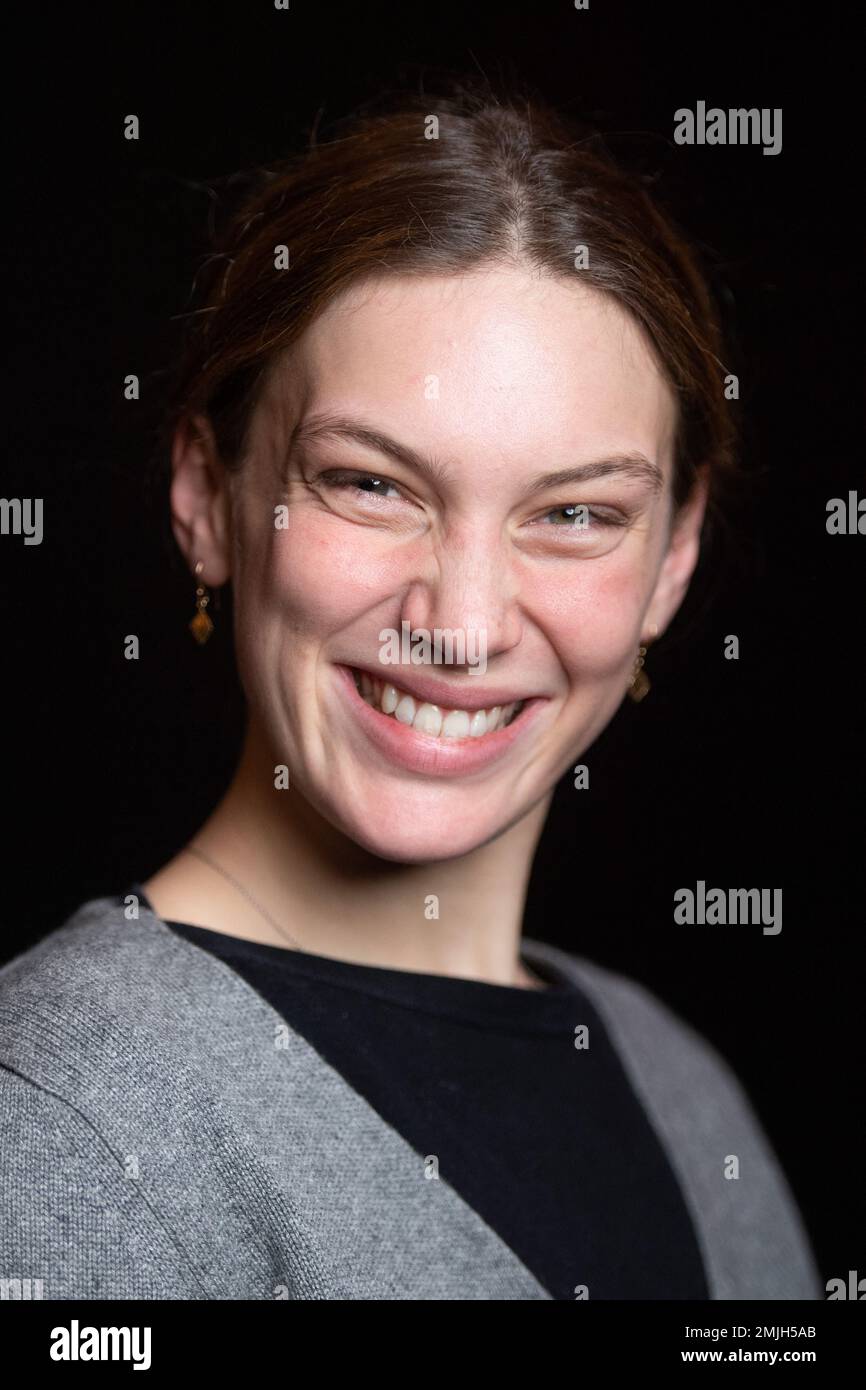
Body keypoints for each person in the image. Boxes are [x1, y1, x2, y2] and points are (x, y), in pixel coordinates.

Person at [0, 86, 820, 1300]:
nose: (463, 627)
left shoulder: (681, 1088)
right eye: (371, 486)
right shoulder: (60, 1129)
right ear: (204, 494)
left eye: (576, 513)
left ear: (672, 562)